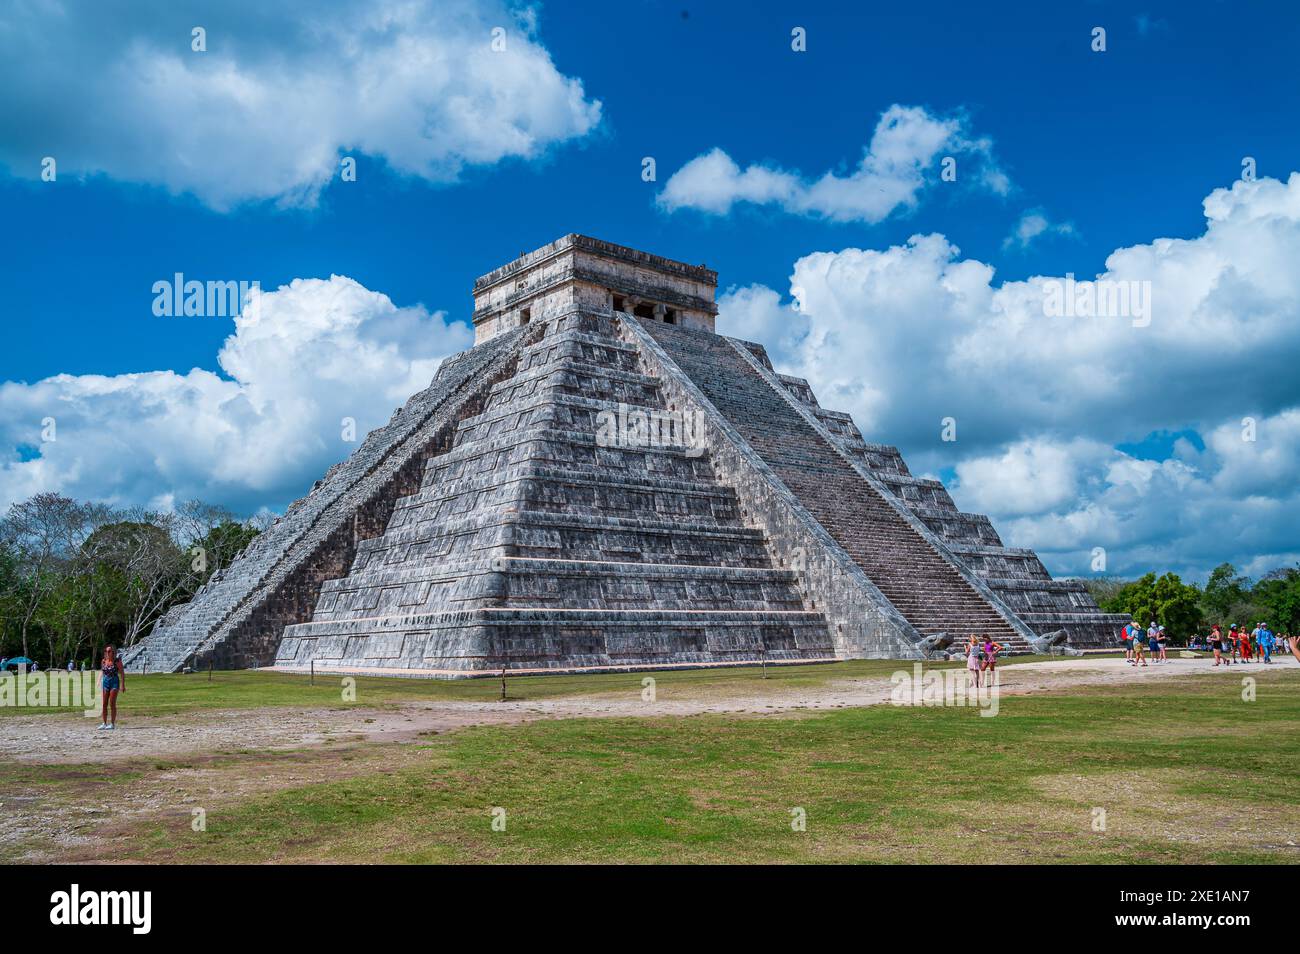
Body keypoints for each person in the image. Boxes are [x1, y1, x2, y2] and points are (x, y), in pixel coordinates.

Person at [98, 645, 125, 731]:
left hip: (114, 682)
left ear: (113, 652)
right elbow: (102, 671)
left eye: (109, 651)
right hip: (105, 682)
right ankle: (104, 723)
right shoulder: (103, 661)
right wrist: (99, 681)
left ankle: (112, 724)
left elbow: (122, 673)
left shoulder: (117, 661)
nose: (107, 653)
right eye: (106, 651)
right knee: (104, 704)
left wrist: (123, 685)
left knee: (112, 703)